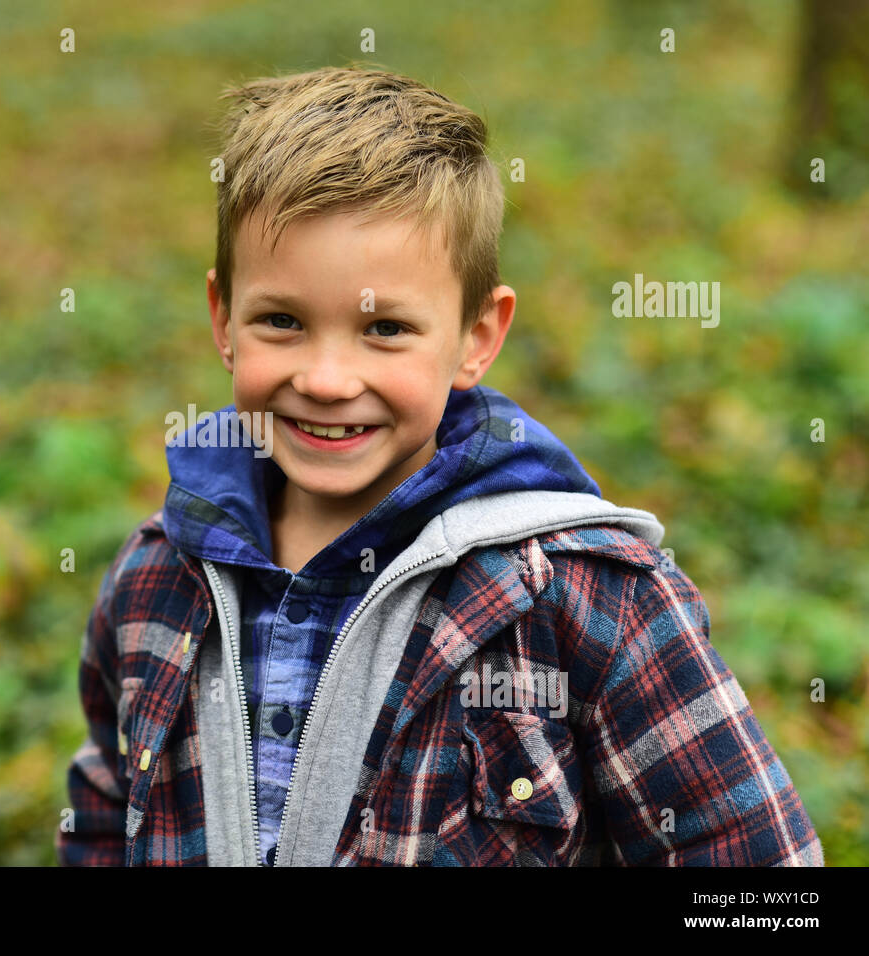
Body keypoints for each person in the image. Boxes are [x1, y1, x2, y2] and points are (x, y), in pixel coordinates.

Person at [56, 64, 823, 866]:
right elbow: (104, 819)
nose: (325, 379)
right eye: (281, 321)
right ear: (223, 319)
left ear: (477, 337)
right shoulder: (157, 582)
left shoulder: (584, 600)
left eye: (384, 329)